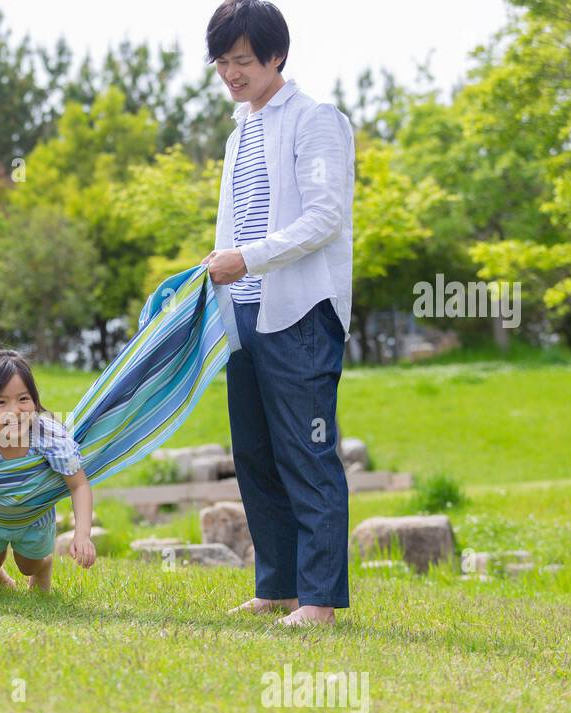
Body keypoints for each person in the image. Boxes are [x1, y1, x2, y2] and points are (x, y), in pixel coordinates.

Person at [202, 0, 356, 627]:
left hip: (298, 314)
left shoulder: (316, 120)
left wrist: (249, 259)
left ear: (276, 57)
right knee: (256, 454)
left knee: (307, 452)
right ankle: (278, 587)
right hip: (243, 314)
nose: (230, 74)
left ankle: (319, 600)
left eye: (242, 61)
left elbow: (323, 218)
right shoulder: (240, 129)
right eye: (221, 62)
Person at [0, 348, 97, 592]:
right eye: (0, 402)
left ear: (35, 401)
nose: (14, 411)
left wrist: (82, 535)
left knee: (28, 565)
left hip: (34, 518)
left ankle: (42, 568)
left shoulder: (48, 436)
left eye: (23, 399)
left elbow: (78, 484)